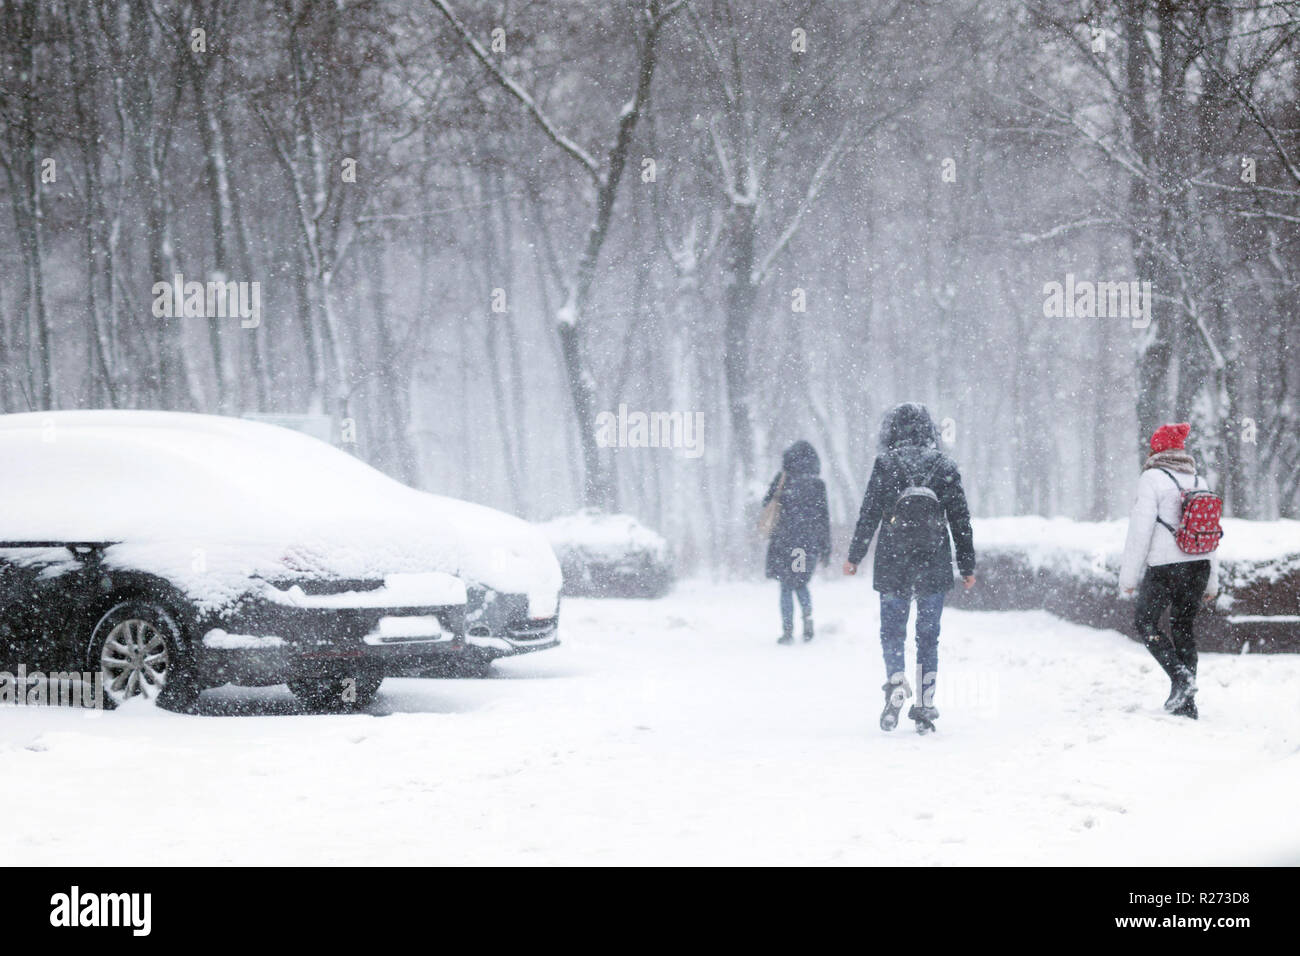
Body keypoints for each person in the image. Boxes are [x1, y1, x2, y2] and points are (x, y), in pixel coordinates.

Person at [843, 403, 975, 734]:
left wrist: (855, 556)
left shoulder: (885, 465)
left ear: (892, 432)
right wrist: (967, 564)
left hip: (893, 560)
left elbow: (869, 514)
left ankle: (896, 683)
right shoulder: (945, 465)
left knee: (892, 631)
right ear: (930, 431)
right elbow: (960, 520)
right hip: (934, 560)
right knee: (928, 635)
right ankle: (926, 702)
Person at [1118, 422, 1220, 719]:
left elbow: (1139, 532)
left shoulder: (1151, 478)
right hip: (1198, 566)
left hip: (1166, 567)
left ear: (1157, 449)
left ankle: (1180, 679)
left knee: (1145, 623)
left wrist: (1128, 578)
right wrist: (1212, 582)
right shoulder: (1199, 478)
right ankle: (1186, 704)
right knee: (1183, 627)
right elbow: (1209, 537)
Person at [761, 440, 831, 644]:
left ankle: (788, 630)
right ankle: (807, 622)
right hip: (804, 544)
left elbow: (767, 503)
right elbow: (823, 517)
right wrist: (825, 547)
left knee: (785, 586)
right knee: (800, 584)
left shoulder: (783, 479)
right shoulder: (817, 484)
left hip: (783, 542)